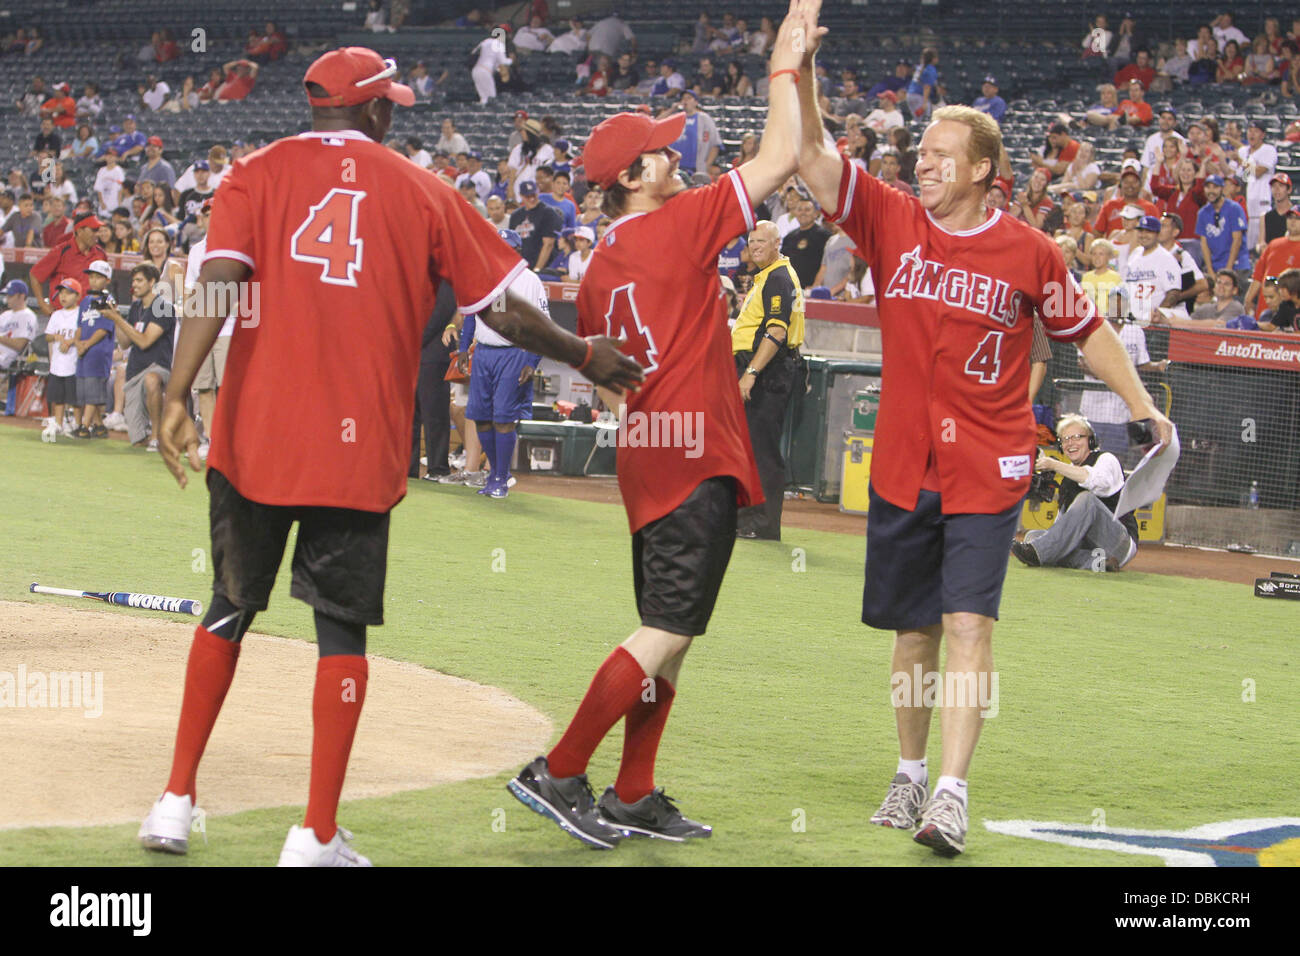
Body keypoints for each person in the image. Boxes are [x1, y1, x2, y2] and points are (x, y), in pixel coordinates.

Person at [139, 45, 640, 867]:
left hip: (256, 435)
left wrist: (177, 393)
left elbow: (223, 277)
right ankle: (316, 836)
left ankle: (174, 801)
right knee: (340, 635)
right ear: (375, 111)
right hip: (355, 447)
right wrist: (585, 354)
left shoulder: (254, 172)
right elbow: (509, 315)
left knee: (228, 607)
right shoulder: (427, 191)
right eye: (391, 105)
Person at [794, 32, 1172, 856]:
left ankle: (952, 795)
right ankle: (908, 771)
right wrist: (803, 63)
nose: (920, 164)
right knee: (914, 630)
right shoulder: (890, 220)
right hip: (904, 460)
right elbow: (813, 154)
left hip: (988, 465)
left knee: (970, 623)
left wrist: (1146, 409)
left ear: (978, 171)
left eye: (938, 155)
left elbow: (1088, 331)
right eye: (920, 153)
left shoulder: (1030, 251)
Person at [506, 2, 812, 850]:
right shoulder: (678, 222)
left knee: (670, 640)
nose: (673, 151)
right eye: (659, 148)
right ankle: (559, 769)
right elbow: (783, 156)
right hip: (693, 452)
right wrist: (785, 61)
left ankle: (632, 792)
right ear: (633, 176)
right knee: (667, 629)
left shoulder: (599, 262)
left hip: (646, 454)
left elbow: (607, 383)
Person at [733, 219, 805, 540]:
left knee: (761, 448)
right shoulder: (767, 277)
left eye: (762, 242)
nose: (756, 247)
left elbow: (777, 330)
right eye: (752, 242)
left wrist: (751, 373)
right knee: (749, 445)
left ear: (777, 244)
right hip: (761, 367)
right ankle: (748, 517)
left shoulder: (778, 277)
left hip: (767, 370)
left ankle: (762, 523)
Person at [1011, 414, 1141, 570]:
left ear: (1091, 441)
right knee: (1033, 536)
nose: (1070, 443)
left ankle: (1040, 554)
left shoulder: (1106, 459)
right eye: (1065, 439)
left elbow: (1096, 481)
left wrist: (1054, 465)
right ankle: (1097, 563)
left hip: (1118, 543)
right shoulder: (1067, 480)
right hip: (1091, 548)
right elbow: (1062, 529)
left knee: (1087, 500)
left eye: (1077, 437)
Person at [27, 212, 107, 315]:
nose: (98, 234)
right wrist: (42, 304)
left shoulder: (101, 254)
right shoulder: (61, 251)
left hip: (89, 315)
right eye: (93, 230)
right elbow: (35, 274)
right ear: (80, 231)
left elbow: (103, 284)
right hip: (62, 314)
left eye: (98, 230)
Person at [73, 260, 116, 438]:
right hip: (84, 351)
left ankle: (84, 426)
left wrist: (86, 344)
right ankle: (98, 425)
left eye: (98, 277)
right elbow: (79, 325)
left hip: (98, 352)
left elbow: (104, 328)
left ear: (107, 280)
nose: (93, 280)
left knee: (92, 390)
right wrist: (77, 343)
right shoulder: (86, 300)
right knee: (85, 390)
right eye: (91, 277)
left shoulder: (108, 300)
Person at [1246, 208, 1300, 318]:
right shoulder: (1273, 244)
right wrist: (1248, 299)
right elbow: (1258, 276)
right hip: (1264, 309)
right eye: (1290, 218)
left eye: (1297, 218)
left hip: (1290, 313)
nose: (1293, 221)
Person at [1196, 174, 1249, 273]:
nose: (1211, 191)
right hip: (1215, 266)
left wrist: (1228, 269)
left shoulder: (1234, 208)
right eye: (1208, 187)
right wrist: (1210, 271)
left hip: (1237, 265)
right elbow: (1204, 244)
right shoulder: (1202, 213)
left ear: (1222, 189)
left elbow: (1237, 240)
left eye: (1215, 187)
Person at [664, 90, 721, 176]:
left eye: (688, 98)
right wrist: (672, 109)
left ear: (696, 102)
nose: (685, 101)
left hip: (695, 169)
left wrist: (707, 165)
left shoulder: (704, 118)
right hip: (674, 167)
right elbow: (656, 124)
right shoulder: (675, 117)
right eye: (683, 99)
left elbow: (715, 144)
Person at [508, 181, 562, 272]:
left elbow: (548, 244)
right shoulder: (515, 216)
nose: (532, 199)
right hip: (520, 267)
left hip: (542, 268)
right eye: (528, 196)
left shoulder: (548, 213)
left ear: (538, 193)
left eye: (534, 195)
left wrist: (537, 269)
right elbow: (511, 244)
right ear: (521, 196)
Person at [780, 197, 831, 286]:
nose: (803, 213)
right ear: (795, 213)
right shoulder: (789, 237)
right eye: (799, 210)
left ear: (815, 214)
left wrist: (815, 287)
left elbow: (827, 265)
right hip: (790, 288)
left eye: (807, 210)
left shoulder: (825, 236)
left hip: (812, 290)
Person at [0, 279, 37, 390]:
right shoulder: (5, 315)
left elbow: (20, 345)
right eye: (7, 295)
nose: (7, 299)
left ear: (21, 296)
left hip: (10, 362)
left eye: (11, 295)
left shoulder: (28, 316)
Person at [470, 27, 512, 105]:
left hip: (475, 70)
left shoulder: (485, 41)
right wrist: (511, 61)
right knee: (491, 98)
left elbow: (473, 53)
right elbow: (503, 61)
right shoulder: (499, 44)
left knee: (484, 97)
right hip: (485, 71)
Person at [1260, 173, 1294, 251]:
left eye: (1281, 186)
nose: (1276, 189)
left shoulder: (1296, 214)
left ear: (1289, 190)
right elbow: (1261, 242)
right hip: (1271, 257)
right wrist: (1261, 247)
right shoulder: (1265, 216)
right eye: (1274, 186)